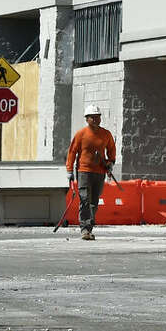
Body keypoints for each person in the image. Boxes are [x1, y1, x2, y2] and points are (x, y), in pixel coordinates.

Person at [65, 103, 117, 240]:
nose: (95, 119)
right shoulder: (81, 134)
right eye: (92, 117)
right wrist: (69, 170)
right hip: (84, 171)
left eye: (97, 117)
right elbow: (72, 152)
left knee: (94, 201)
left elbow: (111, 149)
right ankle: (84, 229)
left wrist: (111, 162)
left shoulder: (106, 134)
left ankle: (89, 227)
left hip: (99, 172)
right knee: (84, 200)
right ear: (86, 119)